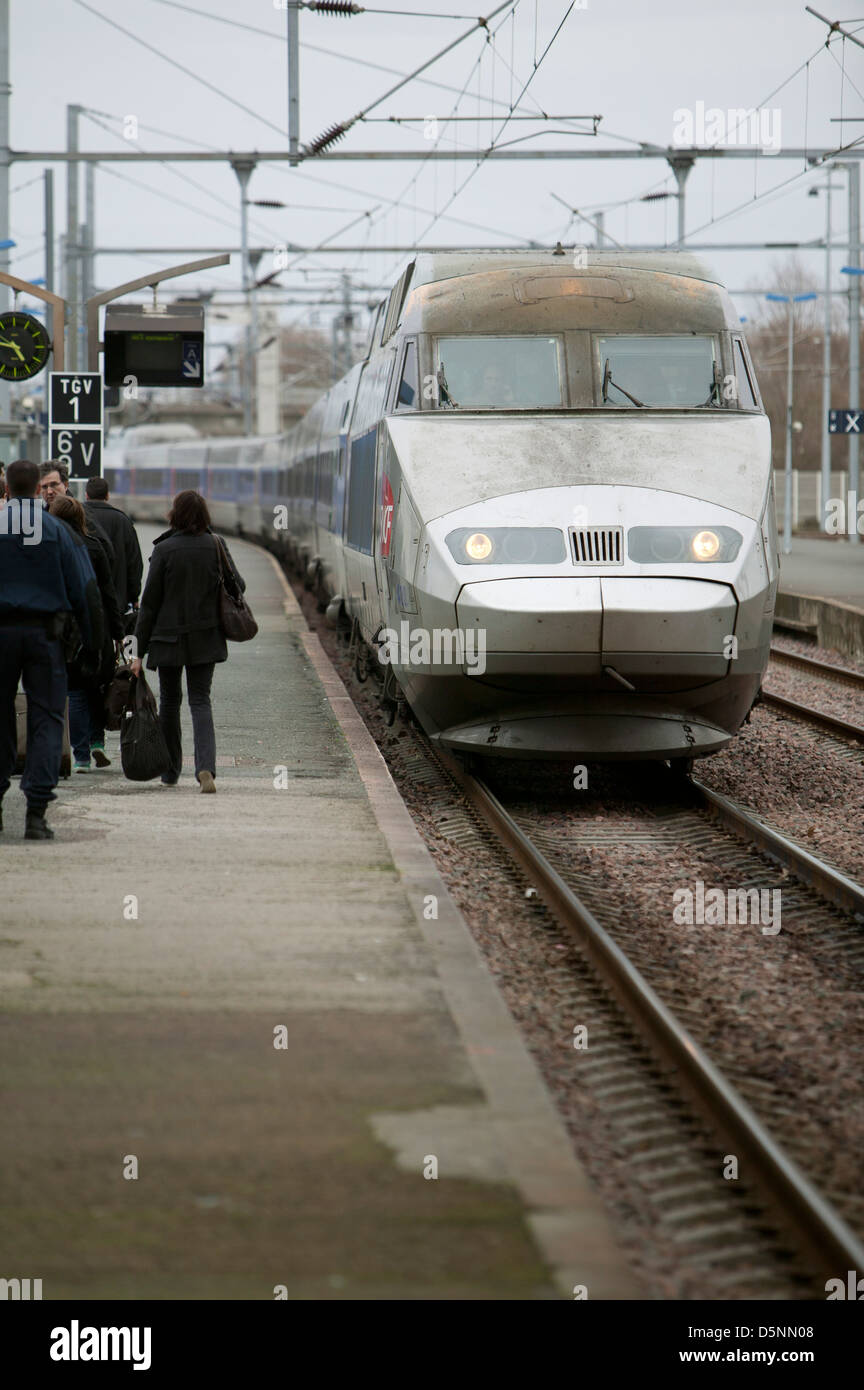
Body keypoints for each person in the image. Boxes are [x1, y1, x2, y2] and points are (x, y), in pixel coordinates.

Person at [0, 459, 101, 840]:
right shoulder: (58, 531)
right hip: (45, 637)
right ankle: (36, 814)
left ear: (7, 490)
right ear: (36, 489)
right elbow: (85, 591)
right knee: (45, 718)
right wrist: (93, 645)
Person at [132, 490, 245, 794]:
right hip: (205, 637)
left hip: (167, 639)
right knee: (200, 701)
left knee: (170, 702)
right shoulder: (215, 545)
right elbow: (239, 586)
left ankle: (170, 771)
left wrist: (137, 653)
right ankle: (205, 767)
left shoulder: (165, 549)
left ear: (175, 515)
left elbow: (149, 605)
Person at [49, 495, 125, 774]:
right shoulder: (94, 547)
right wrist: (119, 633)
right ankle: (97, 742)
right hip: (97, 627)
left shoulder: (49, 548)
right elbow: (108, 593)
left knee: (75, 691)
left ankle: (80, 756)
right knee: (97, 685)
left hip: (64, 631)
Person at [84, 475, 143, 624]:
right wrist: (134, 596)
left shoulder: (78, 516)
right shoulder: (123, 521)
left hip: (85, 601)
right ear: (107, 495)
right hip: (118, 602)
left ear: (86, 495)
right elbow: (134, 563)